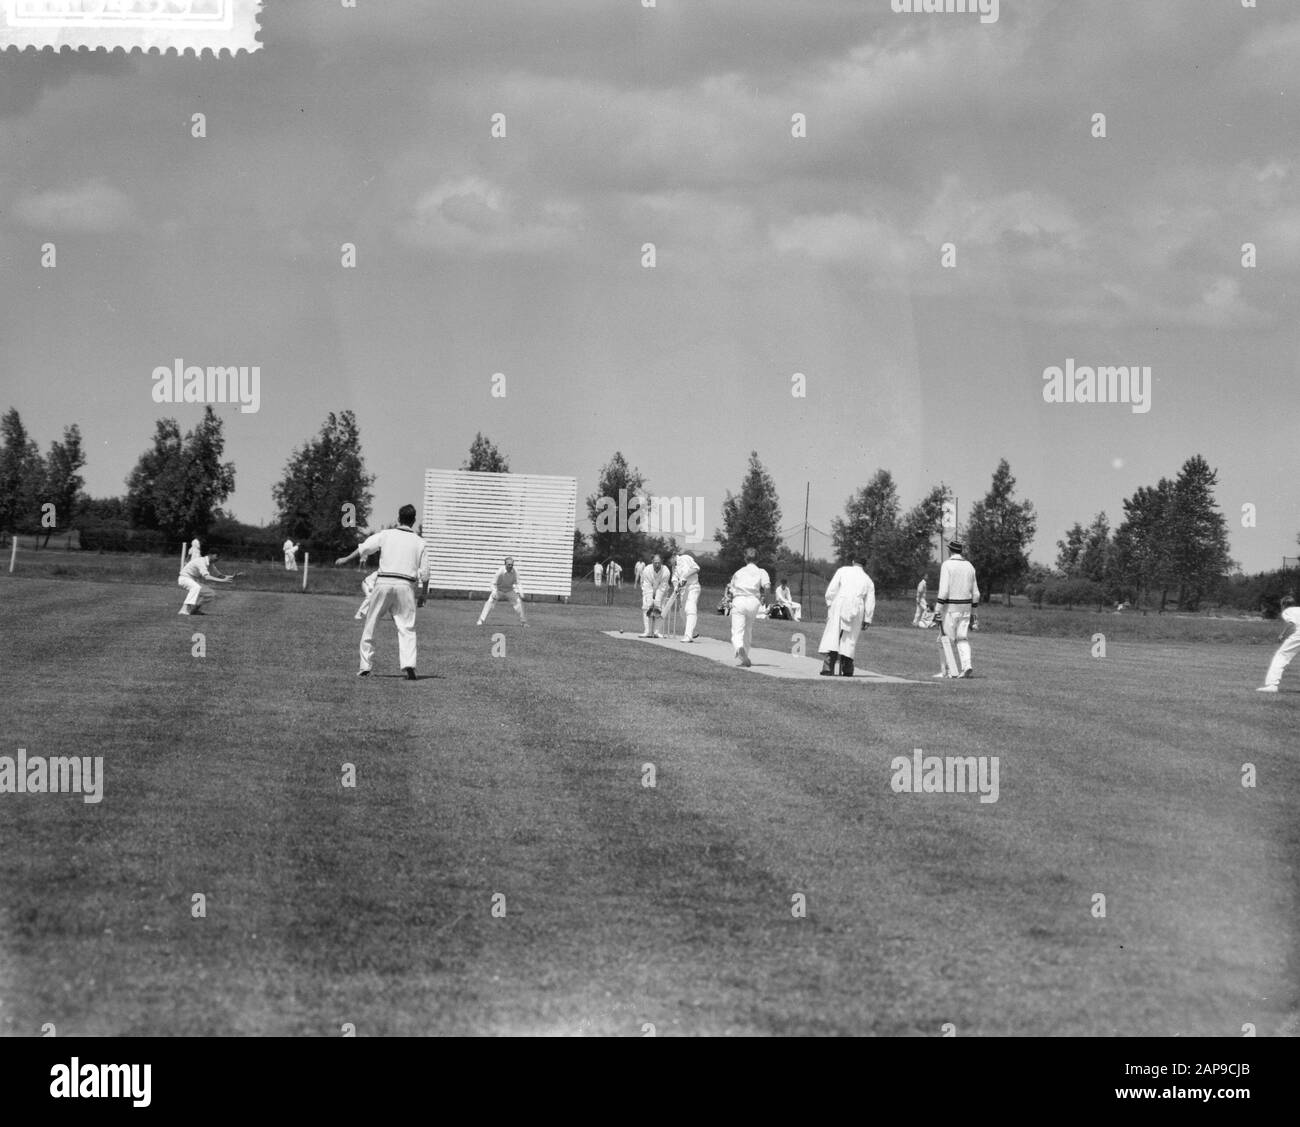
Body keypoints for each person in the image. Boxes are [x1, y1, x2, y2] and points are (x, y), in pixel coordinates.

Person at [334, 504, 429, 680]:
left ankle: (365, 666)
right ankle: (408, 664)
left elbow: (364, 548)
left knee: (371, 623)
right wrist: (424, 594)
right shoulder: (420, 542)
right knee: (407, 627)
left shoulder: (386, 534)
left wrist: (346, 558)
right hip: (406, 586)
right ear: (414, 520)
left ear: (399, 518)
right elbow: (425, 572)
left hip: (384, 582)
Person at [818, 554, 875, 676]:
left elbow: (832, 590)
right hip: (857, 607)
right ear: (864, 565)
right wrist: (867, 619)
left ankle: (828, 667)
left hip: (840, 603)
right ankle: (847, 668)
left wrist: (830, 604)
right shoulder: (868, 580)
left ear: (853, 561)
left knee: (833, 635)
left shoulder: (843, 570)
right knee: (850, 638)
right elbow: (870, 601)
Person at [935, 539, 979, 679]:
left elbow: (944, 591)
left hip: (950, 607)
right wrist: (974, 614)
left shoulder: (947, 565)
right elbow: (976, 593)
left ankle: (946, 671)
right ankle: (967, 666)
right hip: (966, 607)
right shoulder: (970, 566)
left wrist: (937, 609)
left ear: (949, 550)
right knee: (962, 638)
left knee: (945, 639)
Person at [728, 548, 771, 667]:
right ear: (758, 559)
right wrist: (767, 601)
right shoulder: (762, 571)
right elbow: (767, 587)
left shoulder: (738, 572)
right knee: (748, 629)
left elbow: (731, 590)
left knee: (737, 630)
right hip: (753, 601)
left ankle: (739, 648)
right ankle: (745, 653)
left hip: (739, 600)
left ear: (745, 558)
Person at [1257, 594, 1300, 692]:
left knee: (1281, 655)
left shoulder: (1286, 611)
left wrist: (1282, 635)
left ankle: (1272, 685)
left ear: (1283, 604)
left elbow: (1292, 623)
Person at [177, 548, 234, 615]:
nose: (218, 558)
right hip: (184, 578)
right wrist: (223, 580)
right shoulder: (201, 561)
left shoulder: (210, 563)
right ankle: (183, 610)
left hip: (193, 580)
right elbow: (207, 577)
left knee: (210, 594)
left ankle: (194, 610)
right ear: (210, 555)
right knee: (196, 587)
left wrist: (231, 577)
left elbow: (219, 575)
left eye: (219, 556)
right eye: (217, 556)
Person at [478, 556, 528, 626]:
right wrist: (494, 592)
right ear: (505, 564)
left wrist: (521, 593)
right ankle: (481, 621)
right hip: (498, 590)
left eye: (512, 565)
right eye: (509, 564)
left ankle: (524, 622)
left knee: (519, 602)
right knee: (489, 602)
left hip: (509, 590)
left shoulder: (515, 572)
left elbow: (518, 583)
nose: (510, 566)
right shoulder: (500, 571)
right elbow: (492, 584)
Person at [665, 549, 702, 641]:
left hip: (693, 587)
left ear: (673, 556)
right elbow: (674, 579)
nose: (669, 563)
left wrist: (685, 576)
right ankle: (692, 632)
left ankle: (688, 636)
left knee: (690, 608)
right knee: (682, 612)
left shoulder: (685, 558)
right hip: (683, 591)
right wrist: (676, 588)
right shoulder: (674, 567)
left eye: (669, 560)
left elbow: (696, 568)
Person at [639, 553, 671, 637]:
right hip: (648, 591)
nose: (657, 564)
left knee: (661, 609)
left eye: (659, 562)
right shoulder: (647, 570)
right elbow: (647, 586)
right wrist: (650, 603)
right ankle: (647, 632)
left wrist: (657, 603)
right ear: (652, 561)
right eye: (655, 562)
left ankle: (656, 632)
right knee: (646, 607)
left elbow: (662, 588)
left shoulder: (666, 571)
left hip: (662, 593)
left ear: (662, 562)